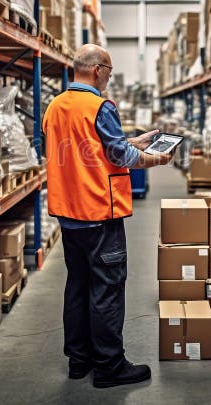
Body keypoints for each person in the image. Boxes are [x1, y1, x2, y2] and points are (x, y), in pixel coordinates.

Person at [43, 44, 171, 389]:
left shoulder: (55, 106)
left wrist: (133, 141)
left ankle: (79, 361)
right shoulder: (100, 106)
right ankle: (109, 366)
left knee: (78, 285)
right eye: (109, 72)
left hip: (69, 214)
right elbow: (119, 156)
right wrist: (155, 158)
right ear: (98, 70)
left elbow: (85, 147)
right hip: (99, 212)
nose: (109, 79)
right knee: (107, 289)